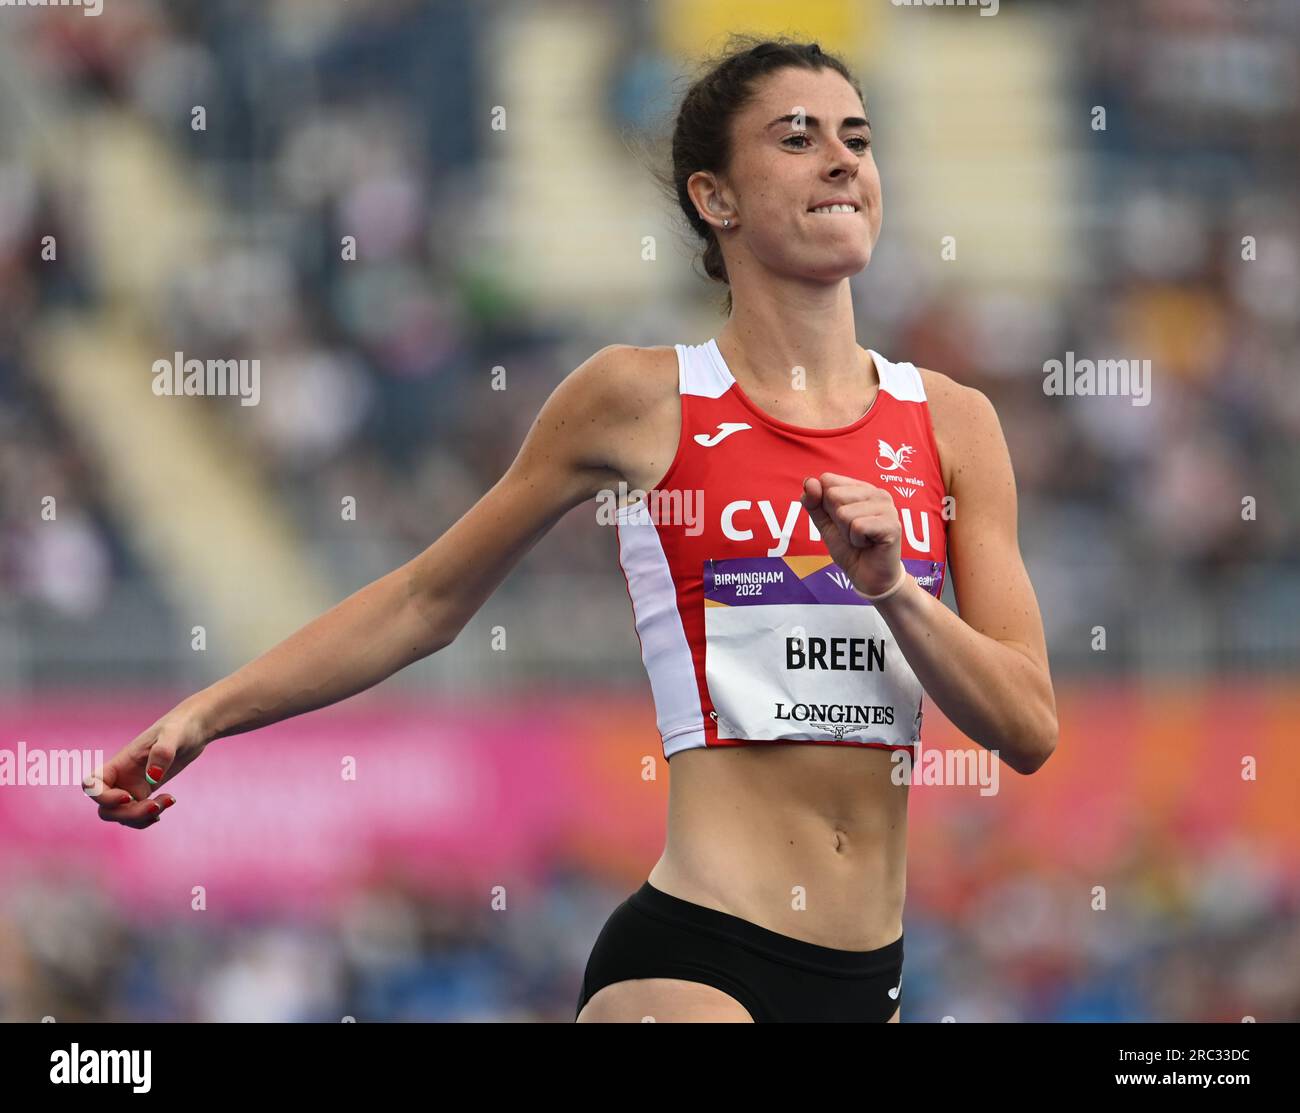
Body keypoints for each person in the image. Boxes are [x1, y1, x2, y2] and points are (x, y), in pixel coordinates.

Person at [85, 38, 1057, 1024]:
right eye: (798, 139)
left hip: (871, 980)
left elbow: (1027, 728)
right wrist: (208, 711)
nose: (843, 160)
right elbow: (425, 600)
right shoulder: (637, 399)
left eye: (856, 136)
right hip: (695, 962)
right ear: (714, 198)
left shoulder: (952, 423)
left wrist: (893, 591)